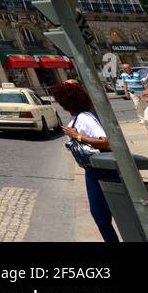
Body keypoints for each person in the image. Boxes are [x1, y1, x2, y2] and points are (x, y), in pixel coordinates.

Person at [50, 80, 117, 243]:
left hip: (104, 170)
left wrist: (77, 136)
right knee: (100, 216)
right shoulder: (76, 119)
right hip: (91, 171)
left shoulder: (85, 118)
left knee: (114, 213)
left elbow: (107, 142)